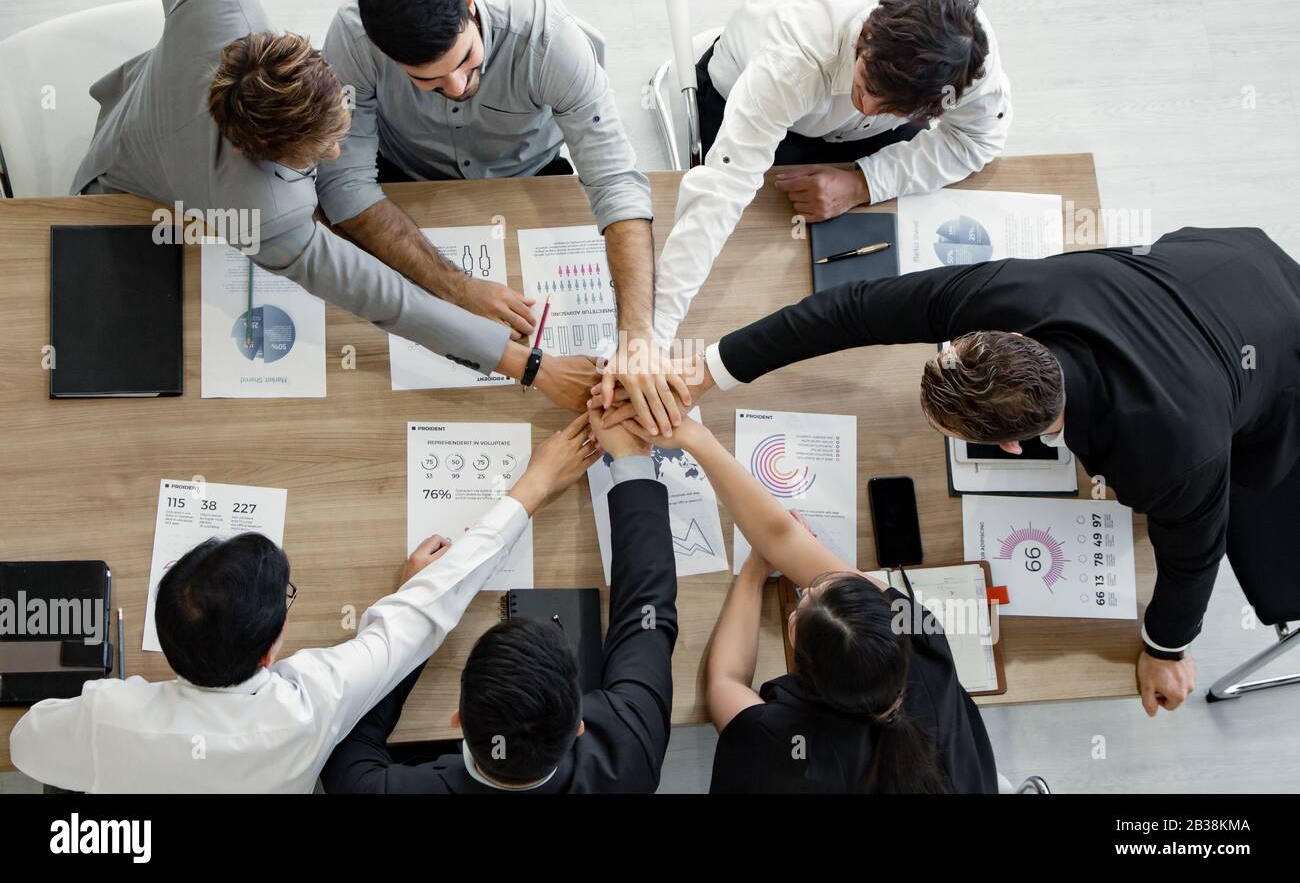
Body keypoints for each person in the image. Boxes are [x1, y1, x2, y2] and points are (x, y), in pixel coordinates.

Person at [606, 227, 1300, 717]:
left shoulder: (1178, 453)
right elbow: (856, 309)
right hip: (1213, 262)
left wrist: (1164, 647)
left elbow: (1194, 551)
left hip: (1275, 352)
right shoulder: (1011, 296)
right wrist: (711, 369)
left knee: (1239, 483)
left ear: (1008, 445)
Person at [70, 0, 596, 411]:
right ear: (268, 157)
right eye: (322, 152)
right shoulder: (269, 216)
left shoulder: (222, 0)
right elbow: (389, 300)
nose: (341, 150)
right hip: (122, 195)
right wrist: (533, 367)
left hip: (141, 104)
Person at [9, 415, 602, 793]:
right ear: (270, 653)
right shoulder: (309, 701)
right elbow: (426, 612)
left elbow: (24, 744)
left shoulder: (109, 717)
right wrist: (534, 486)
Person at [318, 0, 685, 435]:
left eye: (467, 60)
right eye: (427, 80)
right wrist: (457, 288)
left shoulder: (546, 34)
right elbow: (345, 188)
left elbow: (616, 180)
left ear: (469, 2)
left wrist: (637, 337)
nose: (457, 86)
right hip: (409, 174)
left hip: (528, 169)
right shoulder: (353, 38)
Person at [631, 414, 995, 793]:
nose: (811, 583)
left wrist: (755, 572)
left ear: (794, 641)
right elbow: (784, 539)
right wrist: (695, 438)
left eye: (808, 596)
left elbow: (725, 680)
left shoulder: (782, 745)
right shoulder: (920, 637)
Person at [321, 410, 677, 793]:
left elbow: (349, 734)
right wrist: (632, 459)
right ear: (578, 726)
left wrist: (415, 602)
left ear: (457, 720)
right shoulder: (631, 753)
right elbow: (647, 616)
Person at [653, 0, 1011, 347]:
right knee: (753, 256)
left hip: (858, 135)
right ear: (868, 36)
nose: (870, 107)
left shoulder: (965, 61)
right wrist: (654, 335)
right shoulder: (791, 59)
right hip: (758, 105)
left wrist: (864, 182)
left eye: (891, 107)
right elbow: (720, 193)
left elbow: (978, 140)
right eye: (866, 86)